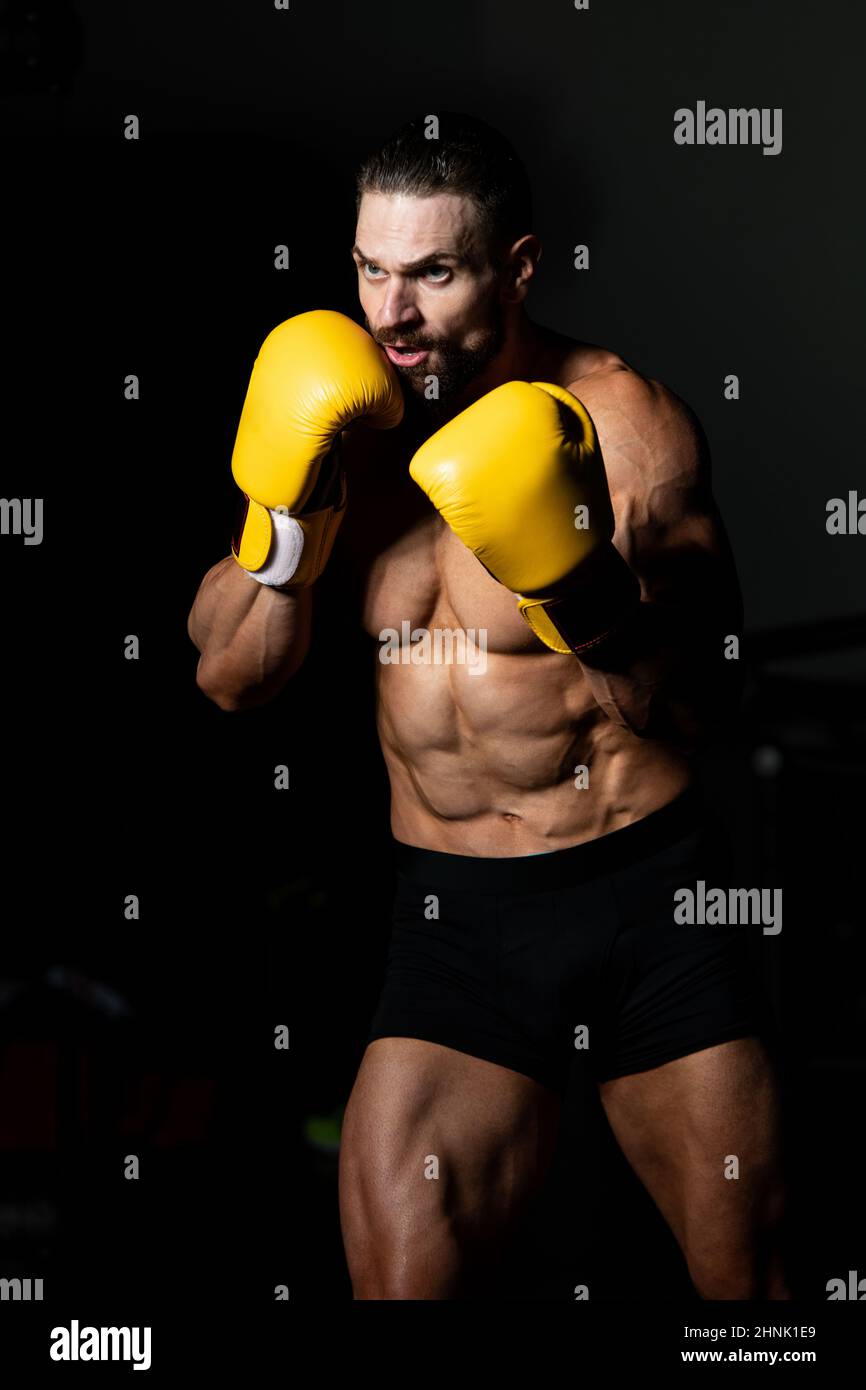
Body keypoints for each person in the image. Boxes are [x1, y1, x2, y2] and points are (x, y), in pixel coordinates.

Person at [187, 113, 789, 1301]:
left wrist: (577, 584)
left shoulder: (625, 428)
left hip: (647, 910)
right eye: (369, 268)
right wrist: (288, 528)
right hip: (455, 921)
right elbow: (228, 677)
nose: (389, 315)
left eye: (430, 273)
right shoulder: (343, 428)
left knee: (748, 1309)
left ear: (514, 269)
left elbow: (708, 701)